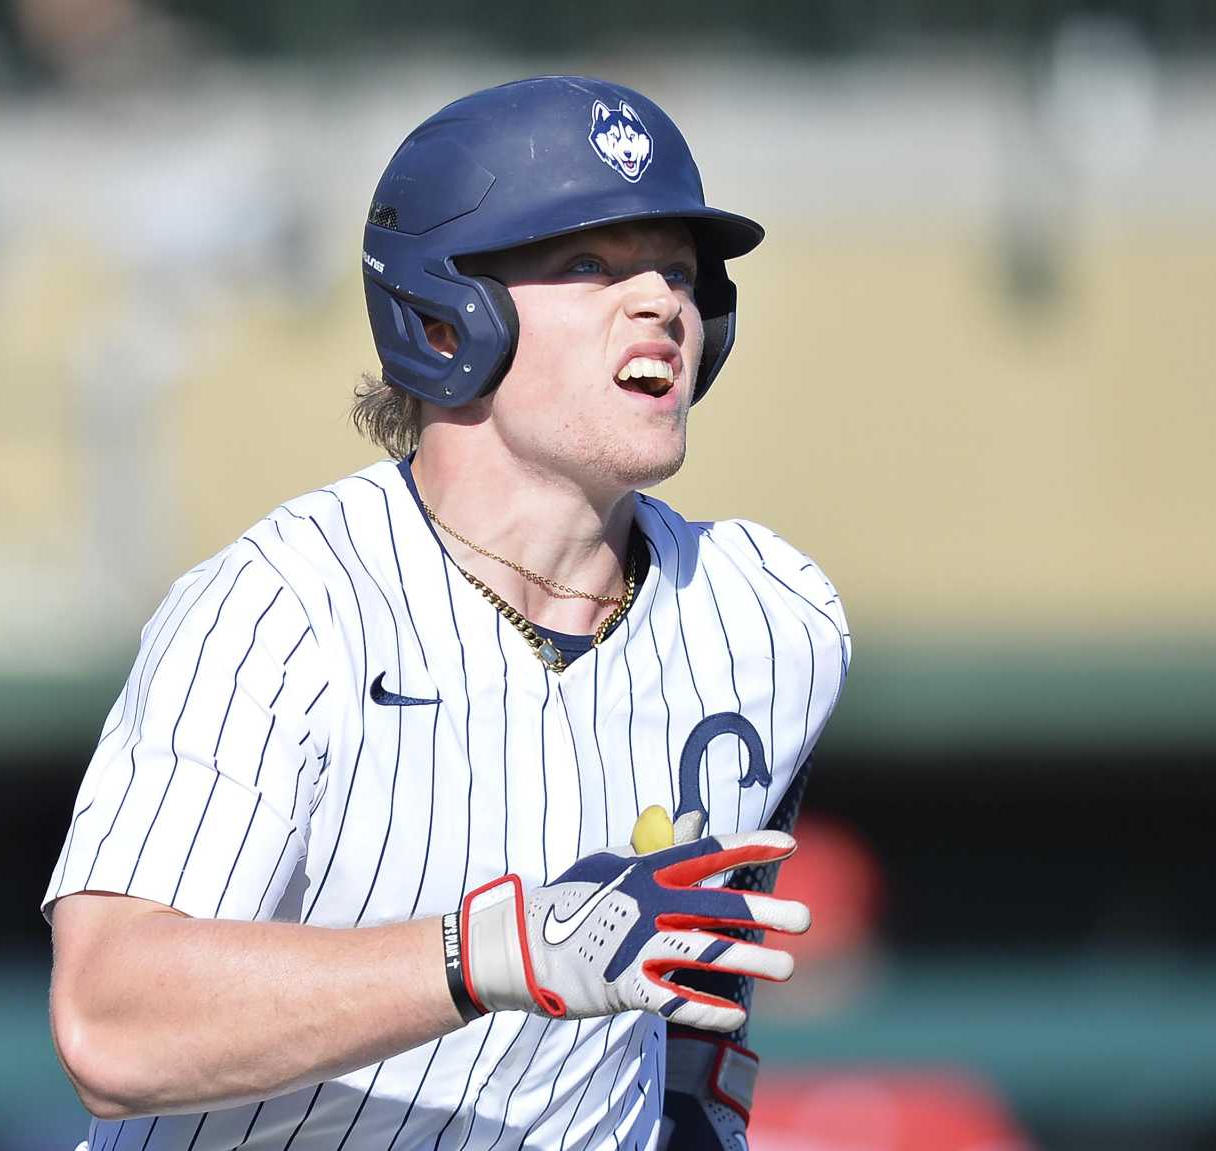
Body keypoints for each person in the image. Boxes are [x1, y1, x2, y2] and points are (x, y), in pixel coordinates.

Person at [44, 74, 851, 1150]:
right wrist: (481, 952)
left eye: (675, 267)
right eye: (586, 264)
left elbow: (701, 1038)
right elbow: (109, 1021)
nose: (658, 300)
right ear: (441, 313)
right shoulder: (285, 607)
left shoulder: (770, 621)